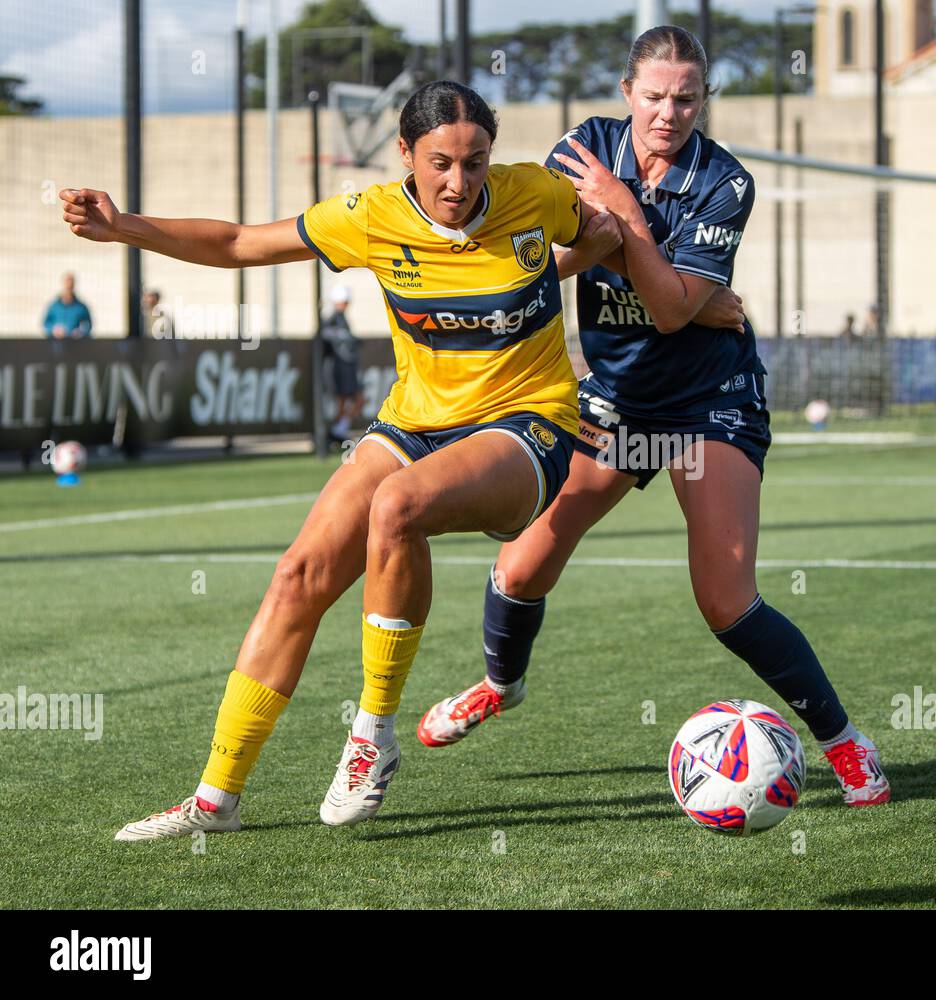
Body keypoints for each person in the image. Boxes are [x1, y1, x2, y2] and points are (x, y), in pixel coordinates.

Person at [62, 80, 624, 840]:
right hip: (414, 424)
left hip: (530, 427)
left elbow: (603, 236)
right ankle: (214, 799)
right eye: (440, 163)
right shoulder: (369, 217)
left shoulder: (535, 193)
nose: (460, 182)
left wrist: (554, 275)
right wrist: (124, 226)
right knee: (299, 573)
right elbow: (236, 243)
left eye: (475, 161)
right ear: (404, 154)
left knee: (398, 507)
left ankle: (371, 737)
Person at [417, 26, 891, 808]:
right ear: (627, 92)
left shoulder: (724, 181)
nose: (669, 113)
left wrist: (628, 222)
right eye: (655, 96)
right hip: (618, 400)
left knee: (726, 601)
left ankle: (846, 743)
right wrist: (641, 260)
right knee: (521, 566)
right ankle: (501, 686)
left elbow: (672, 313)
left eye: (687, 98)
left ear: (704, 100)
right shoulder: (582, 149)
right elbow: (547, 262)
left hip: (712, 404)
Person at [319, 284, 364, 440]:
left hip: (345, 367)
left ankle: (337, 431)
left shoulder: (339, 319)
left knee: (346, 401)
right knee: (348, 400)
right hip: (340, 367)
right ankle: (336, 432)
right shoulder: (334, 320)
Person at [43, 272, 92, 339]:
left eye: (71, 285)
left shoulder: (81, 307)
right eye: (67, 284)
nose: (69, 287)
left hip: (75, 344)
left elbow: (88, 325)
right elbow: (46, 324)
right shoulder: (54, 306)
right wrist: (54, 330)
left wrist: (80, 332)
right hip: (57, 343)